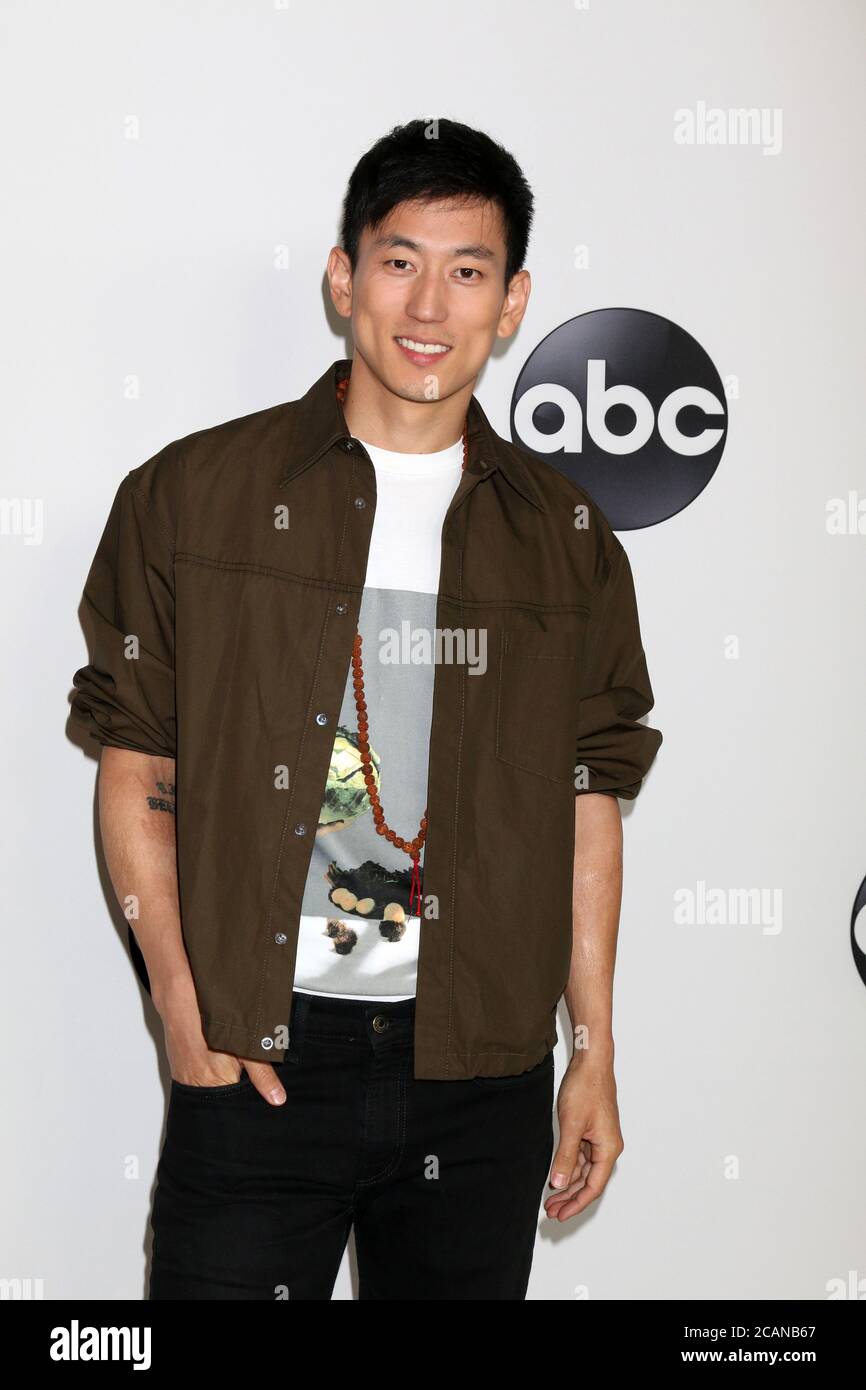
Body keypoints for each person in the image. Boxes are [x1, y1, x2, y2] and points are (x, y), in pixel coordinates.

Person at [69, 116, 662, 1300]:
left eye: (466, 270)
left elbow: (587, 798)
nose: (428, 306)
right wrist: (182, 1009)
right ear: (344, 277)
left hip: (481, 1068)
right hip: (258, 1059)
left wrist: (587, 1051)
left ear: (512, 300)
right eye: (398, 261)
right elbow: (137, 763)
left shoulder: (564, 537)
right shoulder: (194, 494)